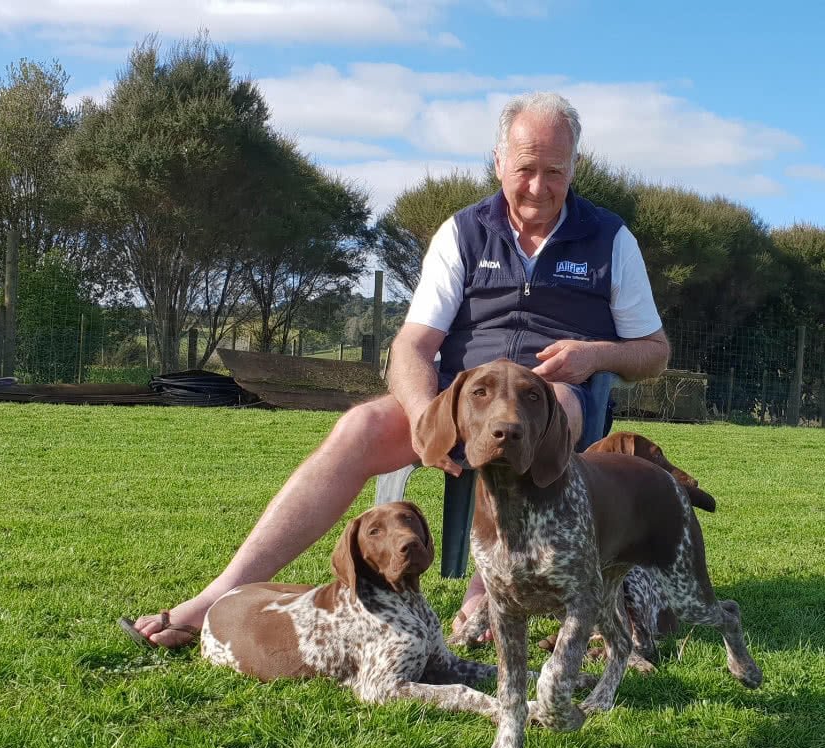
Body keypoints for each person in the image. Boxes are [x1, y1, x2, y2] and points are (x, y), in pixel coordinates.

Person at [124, 91, 670, 649]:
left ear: (573, 166)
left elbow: (654, 350)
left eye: (554, 171)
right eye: (525, 168)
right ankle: (217, 595)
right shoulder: (463, 232)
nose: (538, 186)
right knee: (357, 428)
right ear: (499, 161)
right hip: (461, 398)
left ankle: (486, 595)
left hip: (554, 401)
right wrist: (421, 418)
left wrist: (595, 356)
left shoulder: (610, 240)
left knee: (558, 407)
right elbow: (412, 345)